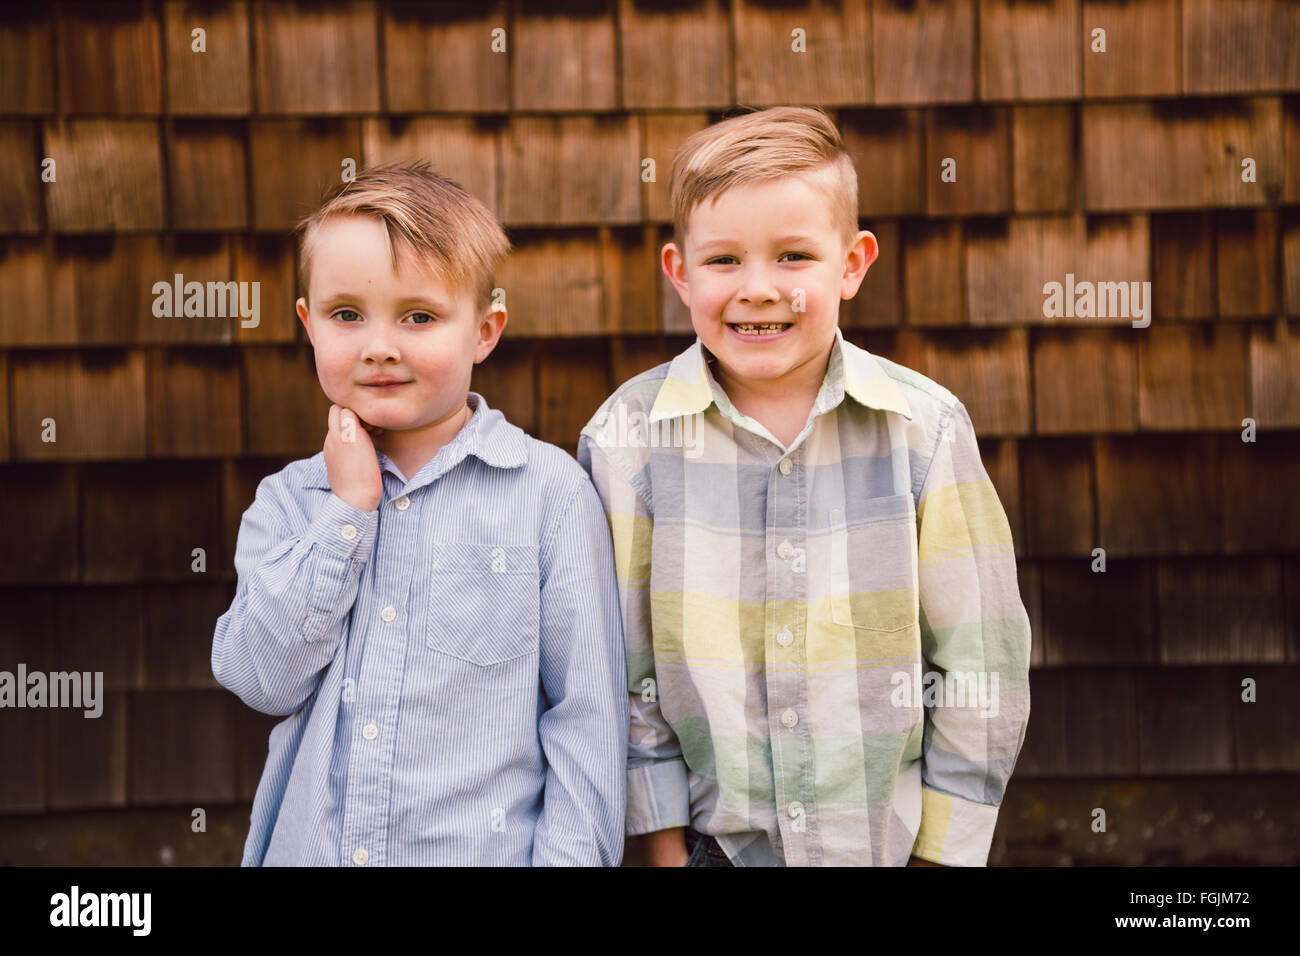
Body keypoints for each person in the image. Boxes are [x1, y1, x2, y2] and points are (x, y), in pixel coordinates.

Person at [578, 107, 1031, 867]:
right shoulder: (629, 440)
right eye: (724, 261)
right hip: (709, 848)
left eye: (793, 257)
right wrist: (658, 848)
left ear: (851, 264)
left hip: (884, 843)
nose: (759, 290)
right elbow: (624, 671)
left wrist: (942, 853)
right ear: (679, 271)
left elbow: (980, 661)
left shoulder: (925, 431)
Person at [213, 162, 628, 865]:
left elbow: (588, 726)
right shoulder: (289, 503)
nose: (380, 345)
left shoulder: (549, 497)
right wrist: (348, 514)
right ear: (309, 325)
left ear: (484, 331)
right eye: (347, 315)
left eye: (419, 316)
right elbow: (261, 679)